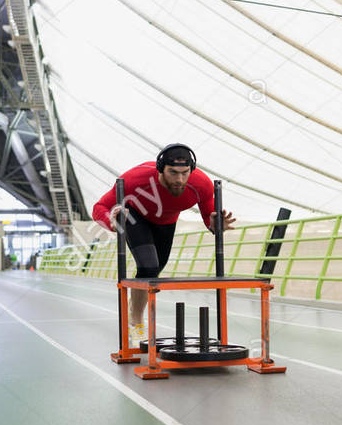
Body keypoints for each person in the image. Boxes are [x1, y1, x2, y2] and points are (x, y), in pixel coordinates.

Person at [92, 143, 235, 342]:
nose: (179, 180)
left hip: (167, 222)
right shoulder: (135, 179)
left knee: (155, 271)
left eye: (185, 173)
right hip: (135, 217)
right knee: (148, 266)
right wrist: (112, 222)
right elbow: (99, 207)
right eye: (173, 173)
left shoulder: (201, 184)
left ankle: (135, 304)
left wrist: (215, 224)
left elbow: (209, 216)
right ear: (161, 169)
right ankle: (136, 321)